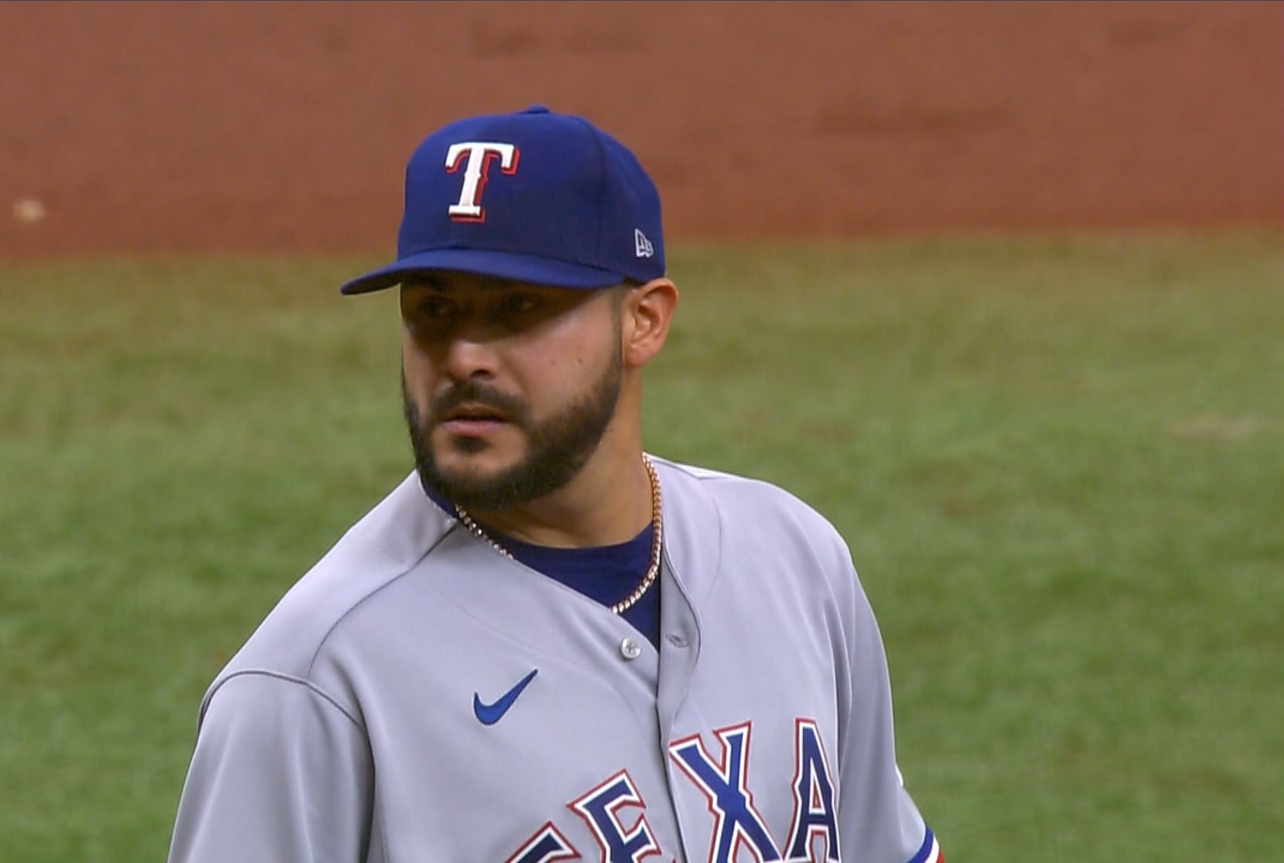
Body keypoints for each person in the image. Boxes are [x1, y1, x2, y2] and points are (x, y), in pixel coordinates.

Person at [166, 104, 943, 863]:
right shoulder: (313, 681)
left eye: (519, 308)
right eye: (433, 309)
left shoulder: (793, 557)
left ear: (644, 320)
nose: (465, 353)